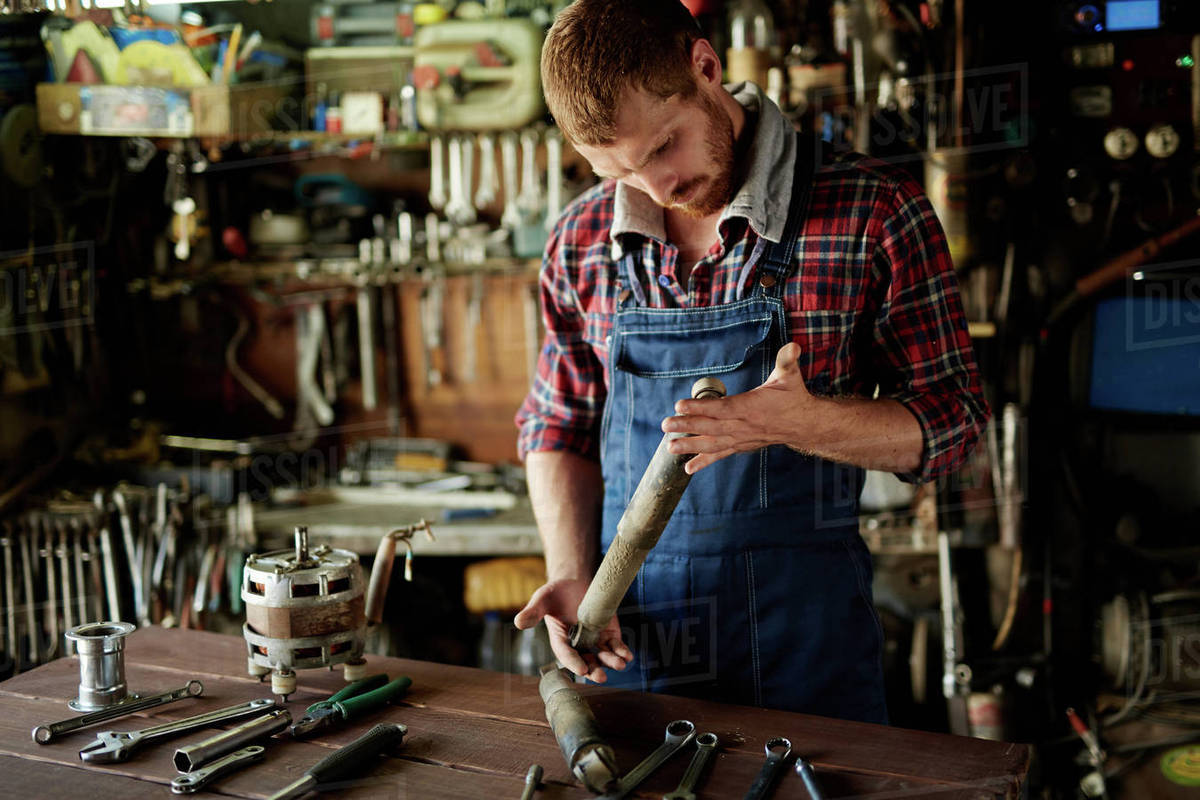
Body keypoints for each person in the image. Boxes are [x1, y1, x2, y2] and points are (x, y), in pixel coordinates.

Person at [513, 0, 988, 724]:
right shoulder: (580, 242)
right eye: (621, 173)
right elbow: (558, 427)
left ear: (706, 67)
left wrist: (807, 424)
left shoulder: (874, 211)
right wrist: (574, 573)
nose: (658, 188)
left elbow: (954, 427)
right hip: (637, 651)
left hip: (811, 654)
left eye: (665, 147)